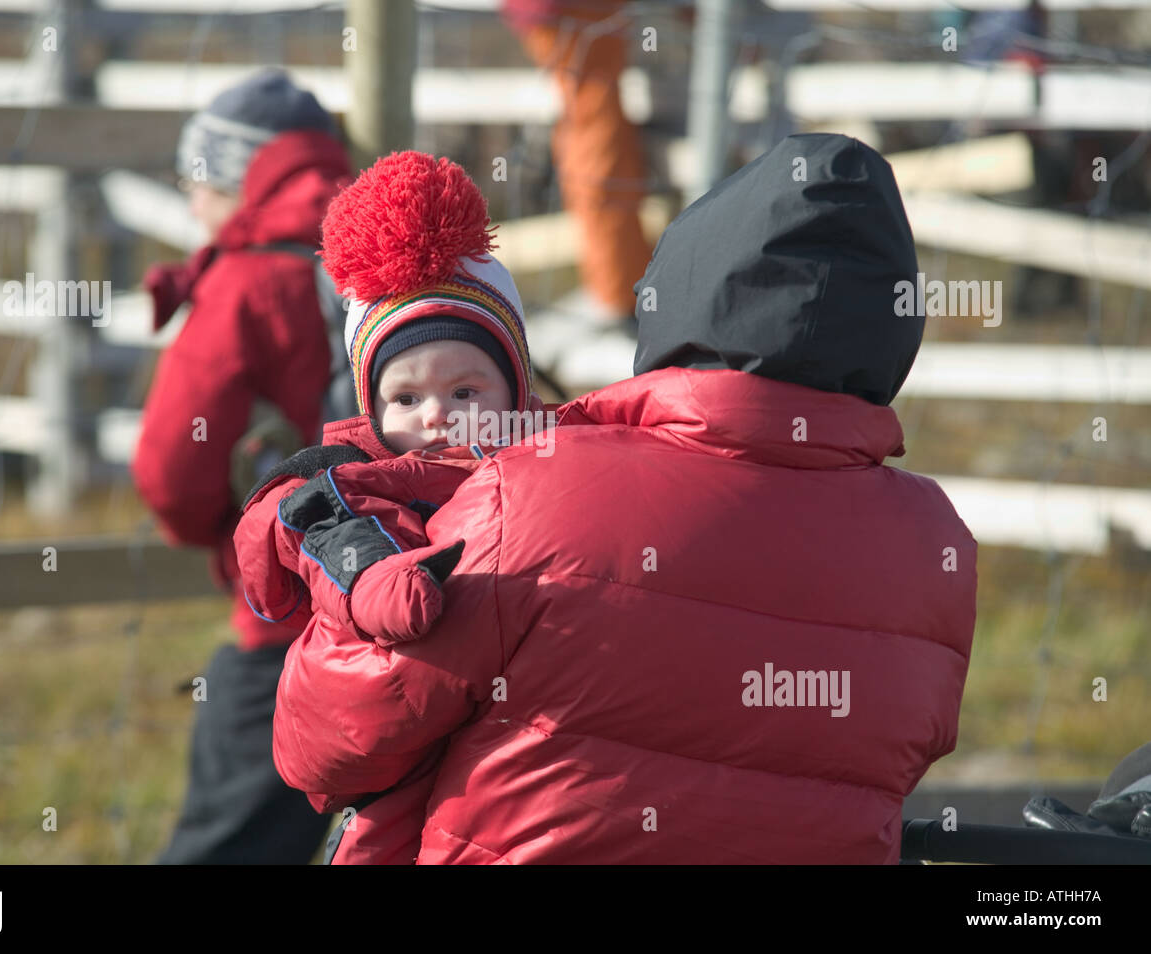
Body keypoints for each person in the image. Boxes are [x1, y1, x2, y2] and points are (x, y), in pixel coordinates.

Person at [268, 133, 979, 863]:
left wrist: (344, 547)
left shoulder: (535, 492)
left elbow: (333, 740)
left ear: (683, 291)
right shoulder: (939, 549)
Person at [235, 151, 550, 864]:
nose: (437, 416)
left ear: (517, 393)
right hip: (405, 782)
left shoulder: (553, 466)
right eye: (407, 398)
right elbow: (340, 559)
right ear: (372, 407)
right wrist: (384, 590)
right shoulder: (356, 490)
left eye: (467, 392)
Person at [132, 67, 352, 864]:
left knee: (228, 847)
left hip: (283, 627)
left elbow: (171, 469)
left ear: (238, 177)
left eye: (198, 178)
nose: (192, 201)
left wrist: (220, 534)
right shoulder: (376, 271)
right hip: (410, 618)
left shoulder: (246, 283)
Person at [502, 0, 654, 332]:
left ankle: (617, 284)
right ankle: (619, 291)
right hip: (573, 8)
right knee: (597, 128)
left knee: (589, 122)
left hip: (558, 10)